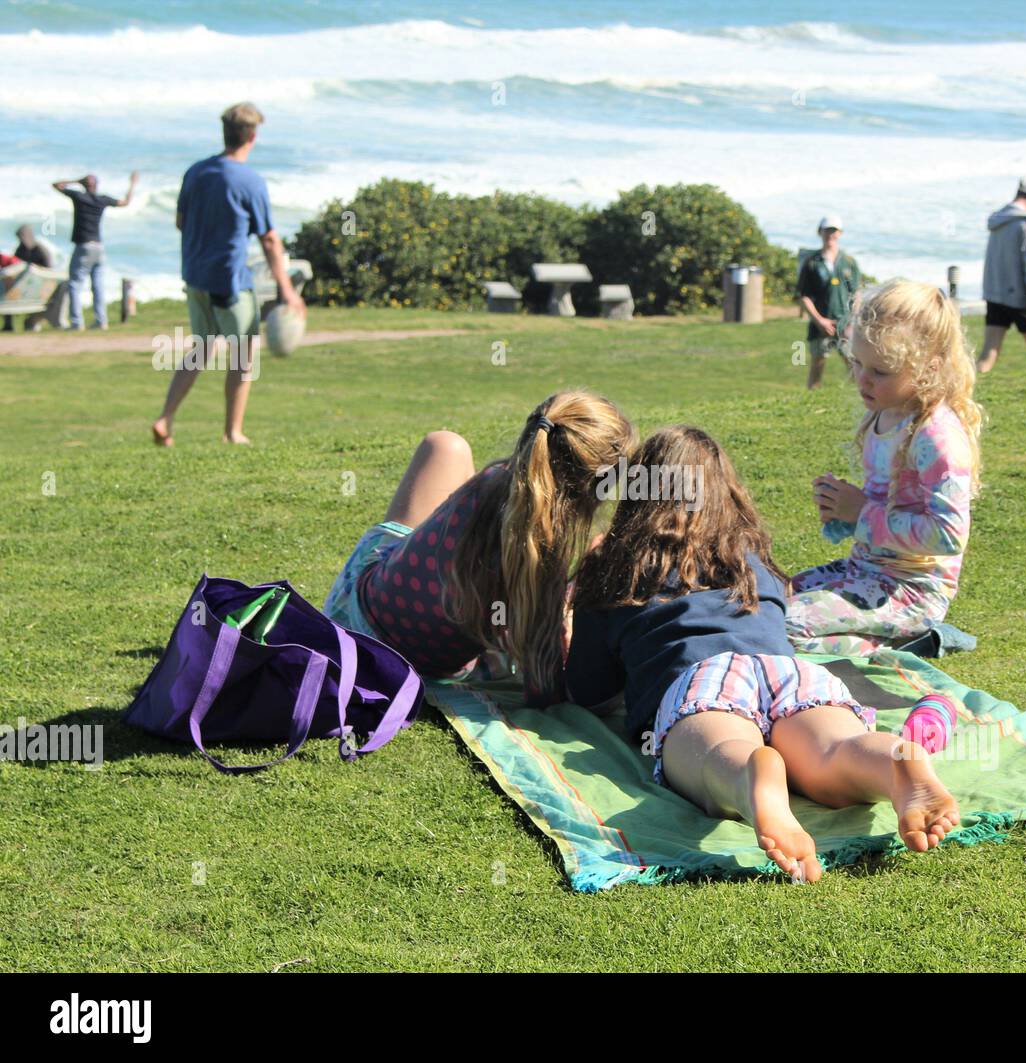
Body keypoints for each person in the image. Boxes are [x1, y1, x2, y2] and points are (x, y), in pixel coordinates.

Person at [567, 425, 960, 882]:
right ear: (726, 493)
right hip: (789, 672)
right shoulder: (749, 554)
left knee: (719, 753)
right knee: (836, 750)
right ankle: (893, 760)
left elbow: (588, 690)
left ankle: (748, 777)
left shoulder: (618, 566)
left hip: (703, 678)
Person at [323, 391, 634, 706]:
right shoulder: (542, 560)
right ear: (593, 491)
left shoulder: (492, 479)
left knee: (444, 445)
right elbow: (546, 688)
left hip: (355, 603)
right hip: (392, 660)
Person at [784, 279, 982, 658]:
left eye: (881, 370)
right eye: (858, 363)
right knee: (768, 600)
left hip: (911, 591)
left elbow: (948, 536)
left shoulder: (937, 438)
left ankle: (908, 641)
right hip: (864, 571)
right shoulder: (887, 412)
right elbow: (882, 506)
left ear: (929, 368)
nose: (862, 379)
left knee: (788, 628)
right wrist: (841, 511)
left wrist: (861, 513)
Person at [151, 102, 304, 447]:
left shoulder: (195, 172)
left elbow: (180, 222)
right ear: (252, 135)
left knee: (201, 347)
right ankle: (232, 432)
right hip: (229, 281)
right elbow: (269, 238)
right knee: (243, 354)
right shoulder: (250, 180)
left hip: (195, 276)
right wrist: (288, 290)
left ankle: (165, 418)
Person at [978, 175, 1026, 372]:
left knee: (989, 353)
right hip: (1021, 297)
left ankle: (969, 392)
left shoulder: (998, 219)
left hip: (995, 295)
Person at [51, 171, 137, 331]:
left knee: (75, 284)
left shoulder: (79, 197)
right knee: (97, 285)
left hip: (83, 246)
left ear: (84, 185)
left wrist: (76, 181)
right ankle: (101, 320)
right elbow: (126, 202)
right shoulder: (101, 200)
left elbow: (56, 185)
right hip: (98, 247)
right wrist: (132, 183)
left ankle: (77, 322)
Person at [795, 214, 862, 390]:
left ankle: (860, 399)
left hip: (845, 322)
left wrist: (852, 321)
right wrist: (819, 321)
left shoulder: (849, 262)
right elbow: (804, 296)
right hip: (820, 323)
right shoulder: (812, 262)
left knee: (854, 364)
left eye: (834, 230)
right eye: (827, 230)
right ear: (820, 232)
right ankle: (812, 399)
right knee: (817, 364)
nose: (830, 234)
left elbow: (856, 293)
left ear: (840, 233)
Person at [1, 225, 57, 332]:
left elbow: (48, 270)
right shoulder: (20, 250)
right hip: (21, 288)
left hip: (36, 287)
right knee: (7, 293)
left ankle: (30, 322)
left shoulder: (40, 249)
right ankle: (8, 324)